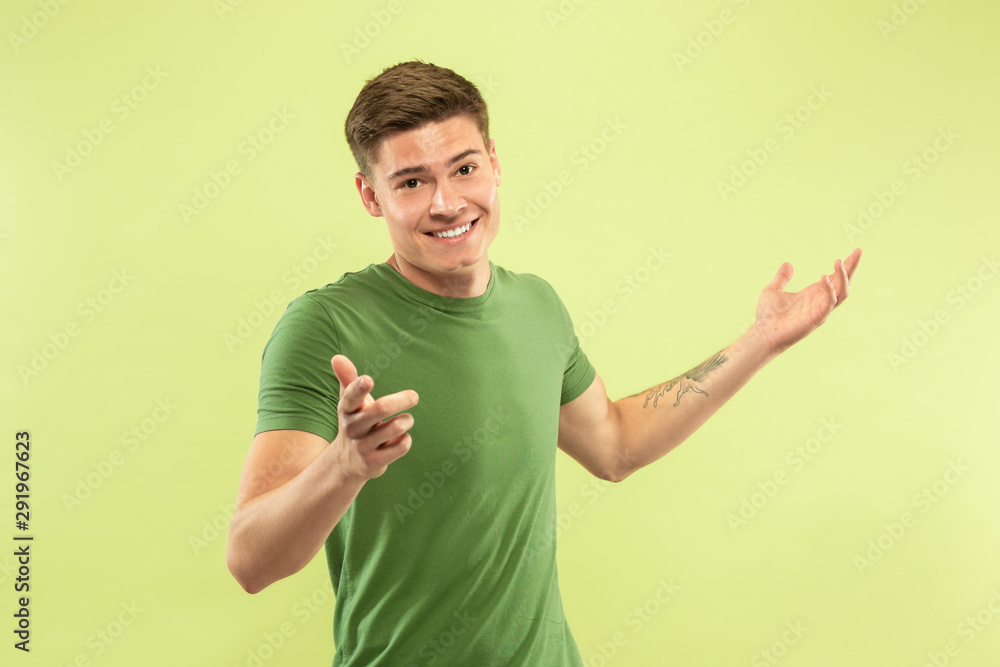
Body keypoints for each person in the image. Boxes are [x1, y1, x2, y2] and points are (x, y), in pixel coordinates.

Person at [226, 60, 861, 665]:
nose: (447, 202)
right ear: (370, 195)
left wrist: (762, 340)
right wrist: (344, 465)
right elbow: (251, 560)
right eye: (412, 182)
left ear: (495, 164)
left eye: (464, 168)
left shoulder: (536, 306)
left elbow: (615, 445)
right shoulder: (325, 326)